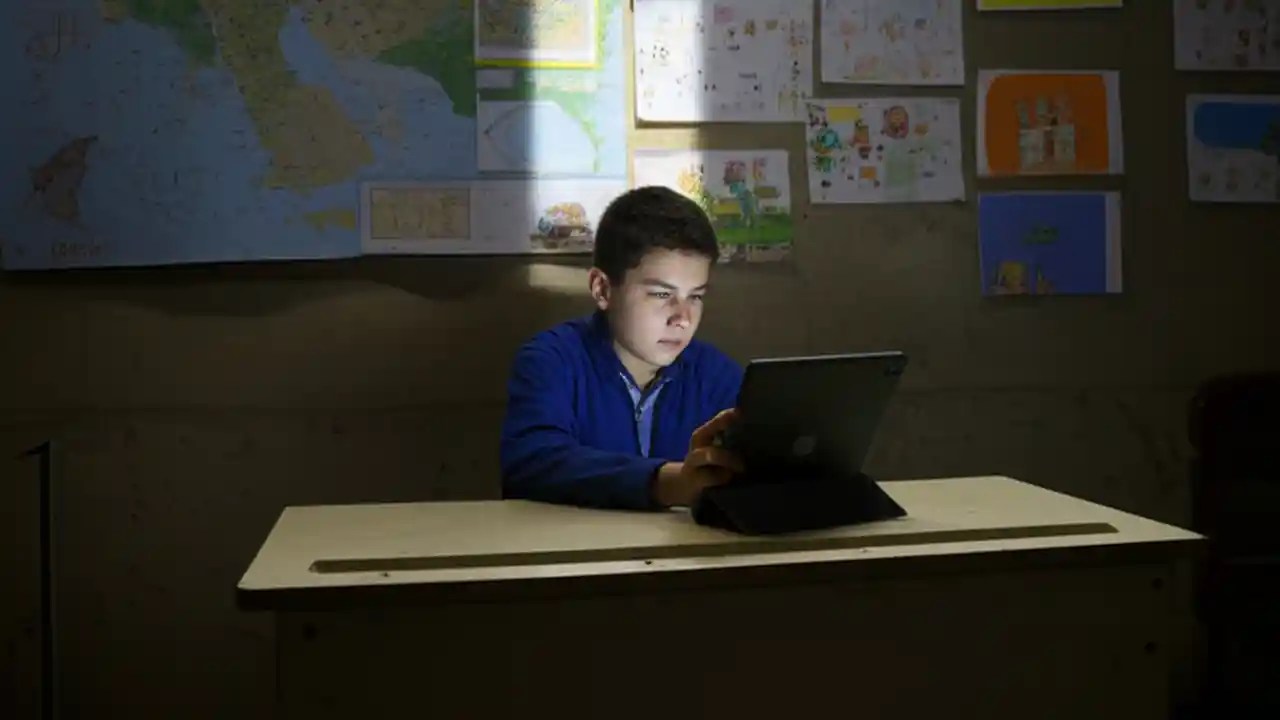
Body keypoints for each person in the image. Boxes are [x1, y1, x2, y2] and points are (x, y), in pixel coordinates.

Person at [500, 186, 744, 511]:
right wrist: (666, 482)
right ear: (602, 289)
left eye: (695, 296)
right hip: (577, 556)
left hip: (681, 557)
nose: (683, 319)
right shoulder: (552, 360)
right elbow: (531, 464)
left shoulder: (718, 375)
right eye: (660, 294)